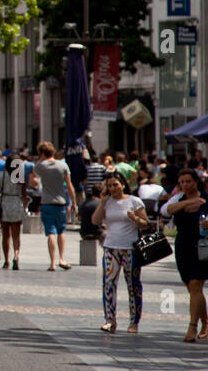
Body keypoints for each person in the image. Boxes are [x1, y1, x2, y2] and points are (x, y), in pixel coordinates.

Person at [162, 168, 208, 342]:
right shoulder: (178, 199)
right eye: (182, 182)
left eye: (189, 182)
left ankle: (192, 327)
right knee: (192, 287)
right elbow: (166, 210)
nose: (186, 185)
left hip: (203, 246)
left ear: (196, 182)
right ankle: (206, 320)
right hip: (183, 246)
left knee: (195, 284)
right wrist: (187, 203)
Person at [90, 173, 147, 333]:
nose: (112, 188)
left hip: (130, 249)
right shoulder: (107, 202)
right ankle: (110, 320)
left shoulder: (134, 201)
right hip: (111, 248)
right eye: (109, 186)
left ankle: (134, 322)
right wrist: (102, 202)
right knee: (108, 284)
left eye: (115, 184)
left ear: (123, 184)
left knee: (133, 285)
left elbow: (145, 224)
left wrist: (135, 219)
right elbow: (95, 220)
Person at [30, 141, 76, 271]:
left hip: (46, 203)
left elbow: (34, 172)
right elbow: (70, 185)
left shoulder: (40, 166)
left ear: (42, 153)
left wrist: (40, 158)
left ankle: (52, 263)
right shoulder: (63, 165)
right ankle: (62, 258)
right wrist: (74, 203)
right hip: (61, 202)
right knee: (61, 231)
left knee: (50, 232)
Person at [0, 150, 26, 269]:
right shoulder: (19, 176)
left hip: (4, 204)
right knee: (16, 235)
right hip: (16, 203)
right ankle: (16, 255)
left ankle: (6, 260)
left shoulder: (0, 175)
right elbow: (23, 193)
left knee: (5, 234)